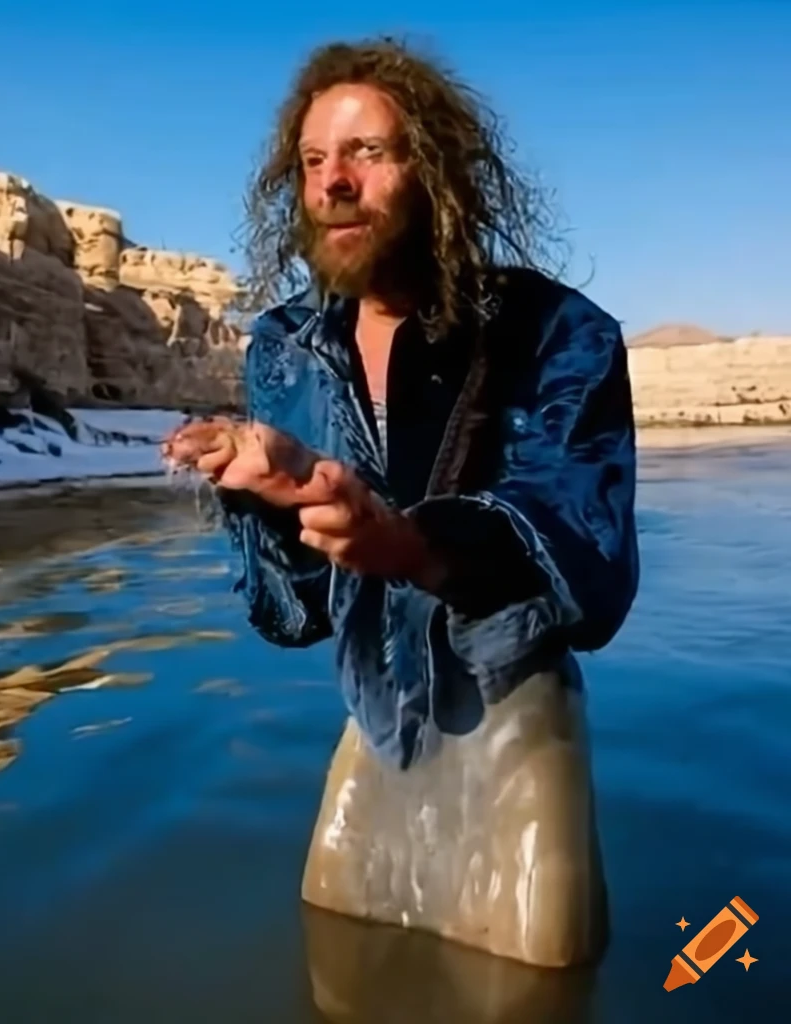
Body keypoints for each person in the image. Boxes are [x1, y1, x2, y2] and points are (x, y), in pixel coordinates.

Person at [169, 37, 639, 968]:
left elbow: (591, 565)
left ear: (437, 172)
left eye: (366, 153)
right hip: (374, 727)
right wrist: (272, 506)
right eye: (312, 161)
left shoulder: (558, 332)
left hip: (518, 720)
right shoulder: (286, 349)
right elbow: (296, 616)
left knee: (535, 981)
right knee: (336, 963)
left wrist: (408, 545)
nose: (332, 183)